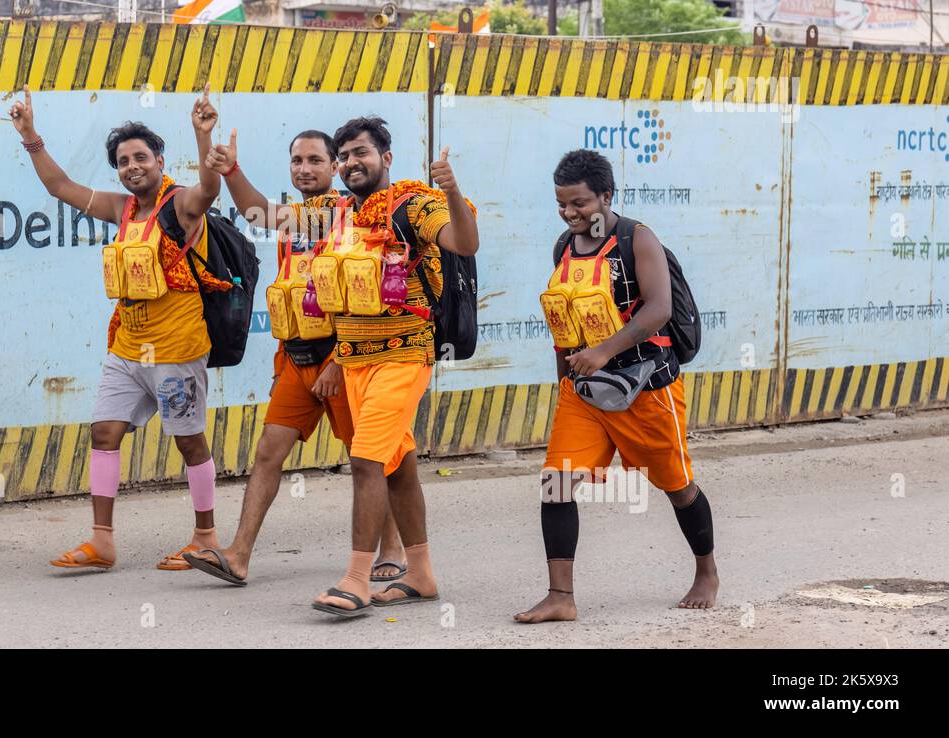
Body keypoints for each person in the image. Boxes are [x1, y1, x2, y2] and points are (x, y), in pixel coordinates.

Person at [7, 83, 230, 573]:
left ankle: (206, 536)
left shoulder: (181, 206)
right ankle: (102, 541)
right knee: (104, 433)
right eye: (124, 161)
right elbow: (60, 188)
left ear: (159, 159)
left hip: (176, 349)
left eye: (141, 157)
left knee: (189, 441)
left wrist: (203, 135)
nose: (132, 167)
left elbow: (209, 190)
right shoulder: (120, 209)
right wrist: (30, 136)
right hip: (128, 347)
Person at [180, 128, 407, 586]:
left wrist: (340, 361)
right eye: (297, 161)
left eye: (316, 161)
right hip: (297, 358)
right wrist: (230, 168)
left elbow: (369, 297)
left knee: (369, 458)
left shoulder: (348, 215)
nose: (305, 169)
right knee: (268, 452)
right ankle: (238, 555)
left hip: (346, 358)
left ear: (335, 168)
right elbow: (255, 212)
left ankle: (395, 548)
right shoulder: (299, 219)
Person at [516, 148, 718, 623]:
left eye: (580, 204)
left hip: (646, 387)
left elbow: (658, 309)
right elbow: (563, 317)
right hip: (585, 392)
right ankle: (560, 595)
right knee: (556, 483)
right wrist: (563, 377)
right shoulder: (564, 246)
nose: (570, 214)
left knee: (678, 486)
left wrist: (604, 351)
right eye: (562, 205)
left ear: (607, 195)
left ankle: (706, 572)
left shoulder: (637, 238)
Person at [301, 116, 480, 618]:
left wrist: (453, 190)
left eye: (362, 152)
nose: (352, 163)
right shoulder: (334, 212)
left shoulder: (417, 203)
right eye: (344, 156)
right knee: (397, 466)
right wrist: (225, 170)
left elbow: (464, 245)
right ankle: (420, 574)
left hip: (404, 355)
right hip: (355, 361)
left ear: (386, 157)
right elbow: (272, 216)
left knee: (365, 461)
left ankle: (357, 578)